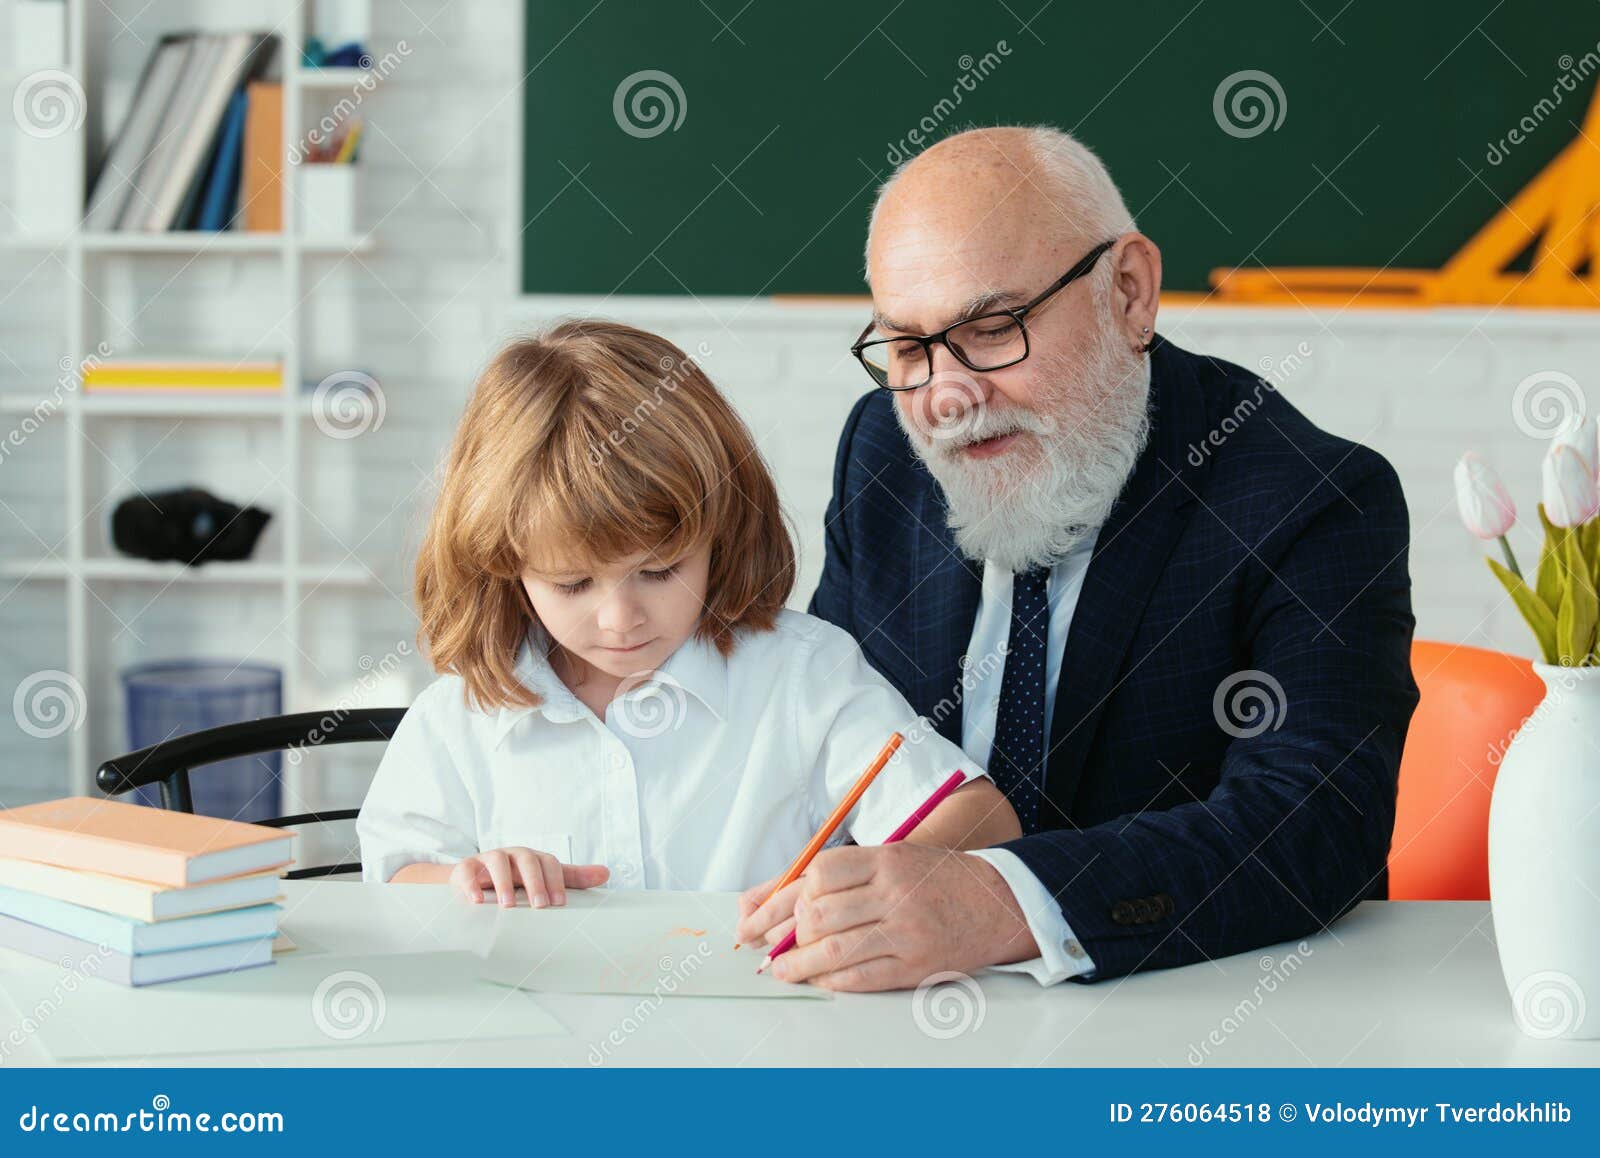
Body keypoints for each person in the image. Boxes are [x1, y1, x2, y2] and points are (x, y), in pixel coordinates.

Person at [735, 125, 1419, 990]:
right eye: (908, 350)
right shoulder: (883, 447)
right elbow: (815, 731)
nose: (946, 396)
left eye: (991, 328)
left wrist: (997, 900)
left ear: (1130, 292)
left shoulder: (1309, 498)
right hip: (892, 1020)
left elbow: (1316, 824)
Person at [356, 320, 1019, 906]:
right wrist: (466, 882)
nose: (621, 619)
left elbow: (981, 818)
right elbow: (389, 885)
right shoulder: (464, 716)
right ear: (502, 565)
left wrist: (870, 876)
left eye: (658, 571)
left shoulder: (799, 675)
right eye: (572, 583)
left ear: (720, 534)